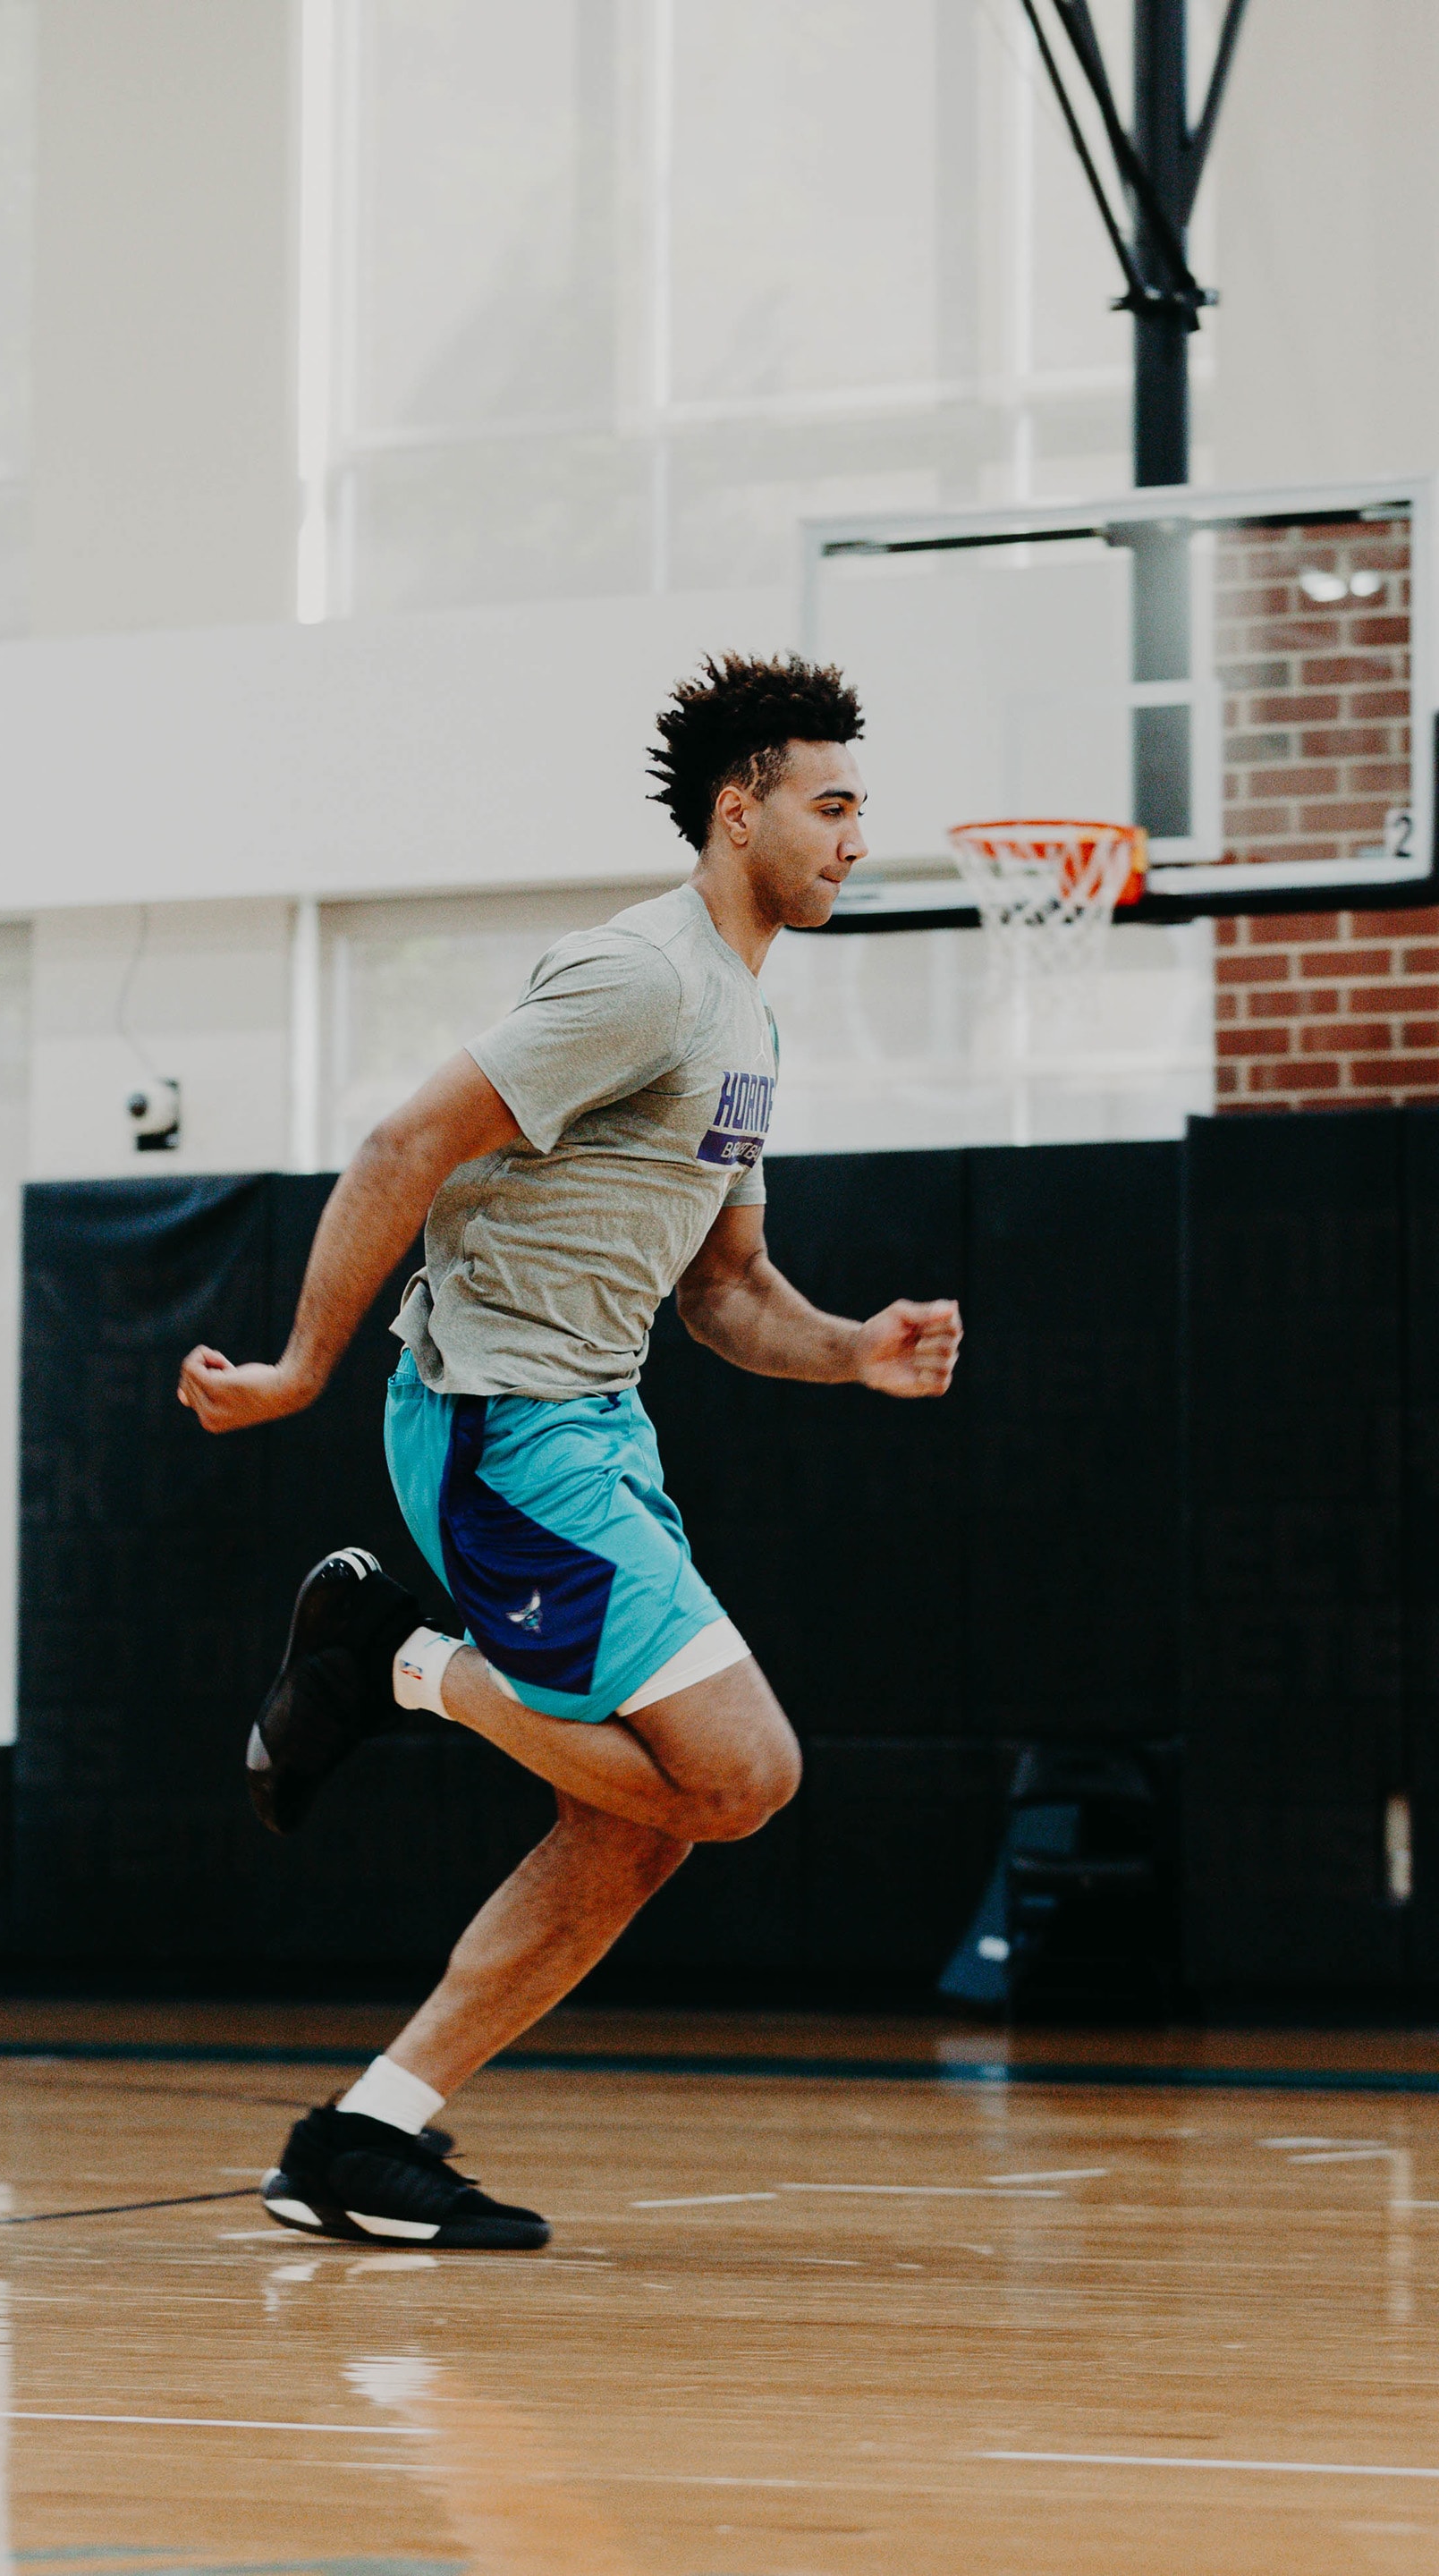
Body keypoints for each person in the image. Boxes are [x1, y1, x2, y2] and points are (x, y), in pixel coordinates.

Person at [177, 652, 962, 2250]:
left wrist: (851, 1355)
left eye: (861, 808)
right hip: (499, 1426)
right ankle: (397, 1657)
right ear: (738, 811)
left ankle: (364, 2137)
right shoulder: (640, 979)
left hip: (596, 1427)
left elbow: (727, 1290)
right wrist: (295, 1371)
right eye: (831, 805)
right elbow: (407, 1143)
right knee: (740, 1781)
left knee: (640, 1823)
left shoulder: (743, 1018)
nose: (856, 838)